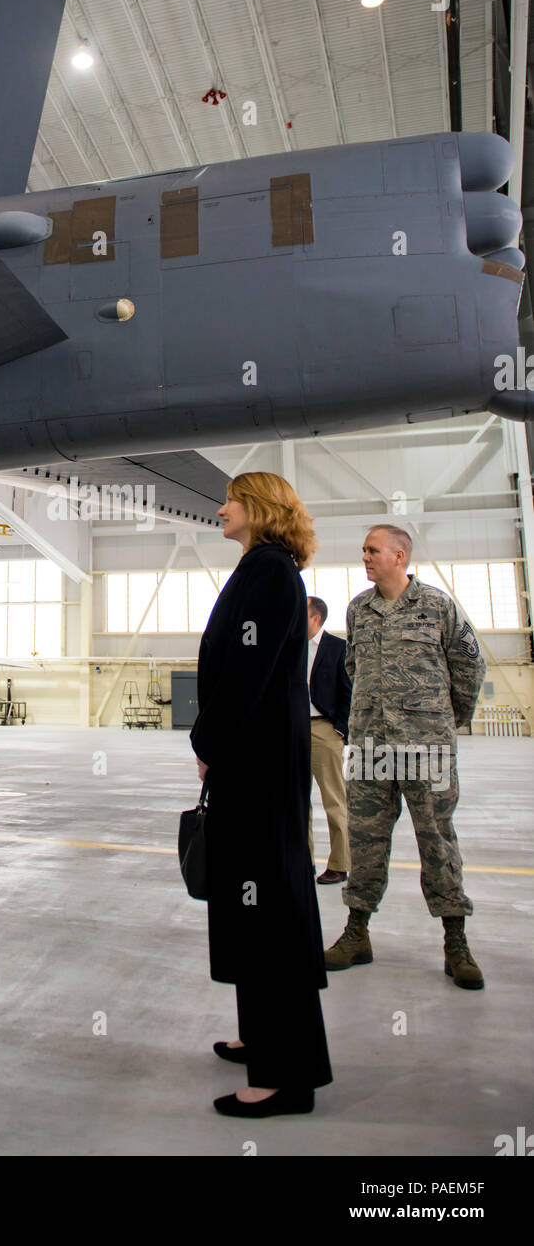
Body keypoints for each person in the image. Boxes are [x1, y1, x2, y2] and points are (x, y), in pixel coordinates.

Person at [190, 472, 331, 1119]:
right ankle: (260, 1037)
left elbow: (244, 675)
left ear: (258, 507)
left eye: (231, 499)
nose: (221, 509)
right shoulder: (262, 569)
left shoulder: (271, 573)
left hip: (259, 770)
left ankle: (285, 1074)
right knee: (253, 904)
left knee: (270, 910)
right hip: (254, 767)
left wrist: (209, 742)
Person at [324, 525, 486, 989]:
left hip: (427, 747)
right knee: (367, 841)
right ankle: (357, 933)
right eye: (363, 551)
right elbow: (353, 668)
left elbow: (469, 664)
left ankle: (456, 942)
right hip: (370, 746)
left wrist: (448, 718)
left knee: (437, 842)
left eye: (373, 551)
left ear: (399, 556)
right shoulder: (359, 609)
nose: (366, 558)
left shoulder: (437, 605)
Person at [306, 595, 352, 884]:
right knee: (297, 803)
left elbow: (349, 691)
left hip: (324, 730)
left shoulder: (338, 648)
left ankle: (339, 864)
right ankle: (303, 862)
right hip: (293, 731)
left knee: (334, 800)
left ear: (315, 619)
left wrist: (340, 730)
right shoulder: (289, 648)